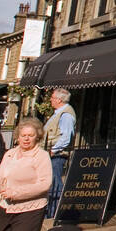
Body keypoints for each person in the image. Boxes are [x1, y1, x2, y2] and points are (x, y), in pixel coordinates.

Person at [42, 88, 75, 219]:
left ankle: (54, 213)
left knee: (55, 183)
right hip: (51, 154)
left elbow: (66, 137)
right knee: (51, 182)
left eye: (52, 97)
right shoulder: (59, 113)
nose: (50, 99)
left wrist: (53, 150)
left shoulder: (66, 115)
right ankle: (50, 210)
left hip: (57, 155)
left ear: (59, 100)